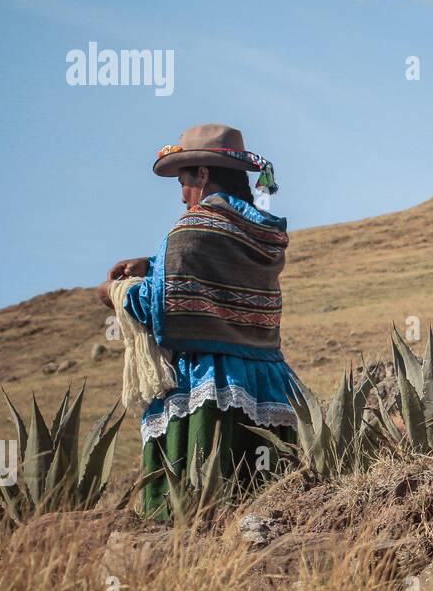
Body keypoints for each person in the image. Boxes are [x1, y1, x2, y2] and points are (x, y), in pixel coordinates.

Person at [97, 124, 301, 519]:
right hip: (266, 383)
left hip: (208, 384)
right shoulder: (260, 231)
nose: (181, 192)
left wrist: (115, 294)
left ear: (203, 174)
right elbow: (216, 273)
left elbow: (165, 304)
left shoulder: (192, 227)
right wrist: (154, 263)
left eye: (184, 179)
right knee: (262, 502)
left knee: (196, 509)